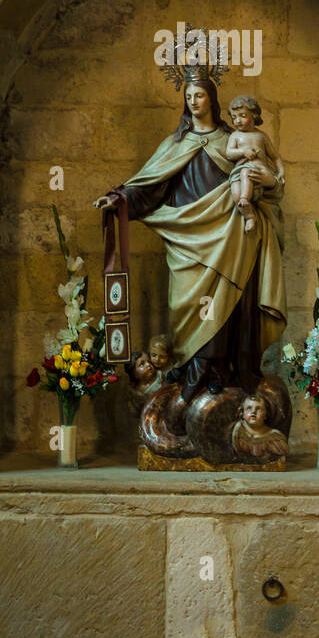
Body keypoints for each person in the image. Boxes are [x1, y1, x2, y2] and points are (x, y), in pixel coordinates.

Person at [94, 73, 286, 403]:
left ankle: (218, 373)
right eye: (188, 95)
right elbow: (149, 185)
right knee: (185, 306)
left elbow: (267, 184)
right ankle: (191, 369)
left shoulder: (233, 138)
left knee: (227, 305)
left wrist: (269, 180)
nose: (193, 101)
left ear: (212, 98)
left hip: (229, 237)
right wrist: (119, 200)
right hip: (186, 238)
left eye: (199, 94)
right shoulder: (176, 142)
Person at [226, 94, 284, 232]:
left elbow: (275, 157)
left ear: (254, 116)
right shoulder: (235, 136)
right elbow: (229, 153)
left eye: (242, 116)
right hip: (239, 174)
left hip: (260, 172)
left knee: (247, 172)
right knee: (235, 193)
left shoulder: (261, 136)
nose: (237, 121)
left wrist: (281, 171)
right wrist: (243, 151)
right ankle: (249, 215)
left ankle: (245, 198)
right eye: (234, 117)